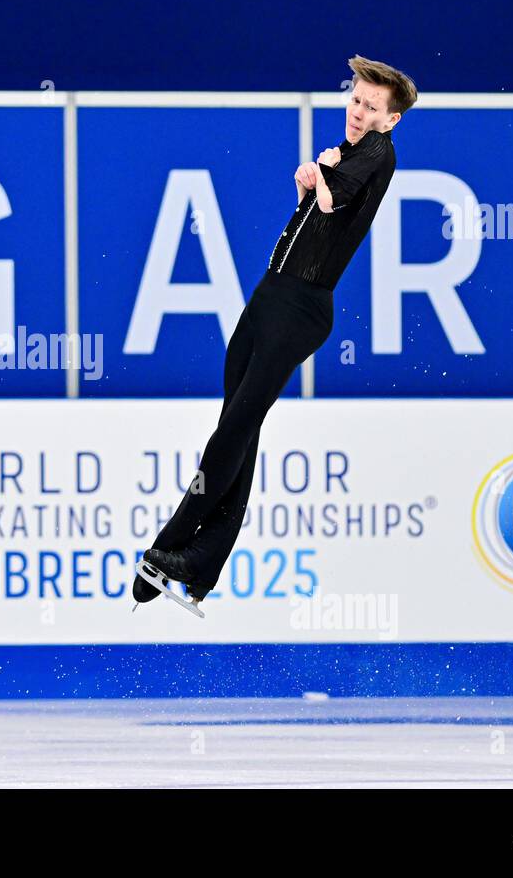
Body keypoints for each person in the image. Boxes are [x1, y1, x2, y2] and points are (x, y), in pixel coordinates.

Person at [134, 55, 418, 610]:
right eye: (355, 100)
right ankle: (197, 564)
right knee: (237, 426)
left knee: (234, 428)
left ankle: (168, 547)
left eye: (371, 107)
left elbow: (334, 202)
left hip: (300, 308)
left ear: (390, 119)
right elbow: (320, 216)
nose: (358, 112)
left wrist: (322, 176)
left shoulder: (378, 151)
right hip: (272, 294)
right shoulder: (350, 154)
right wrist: (312, 183)